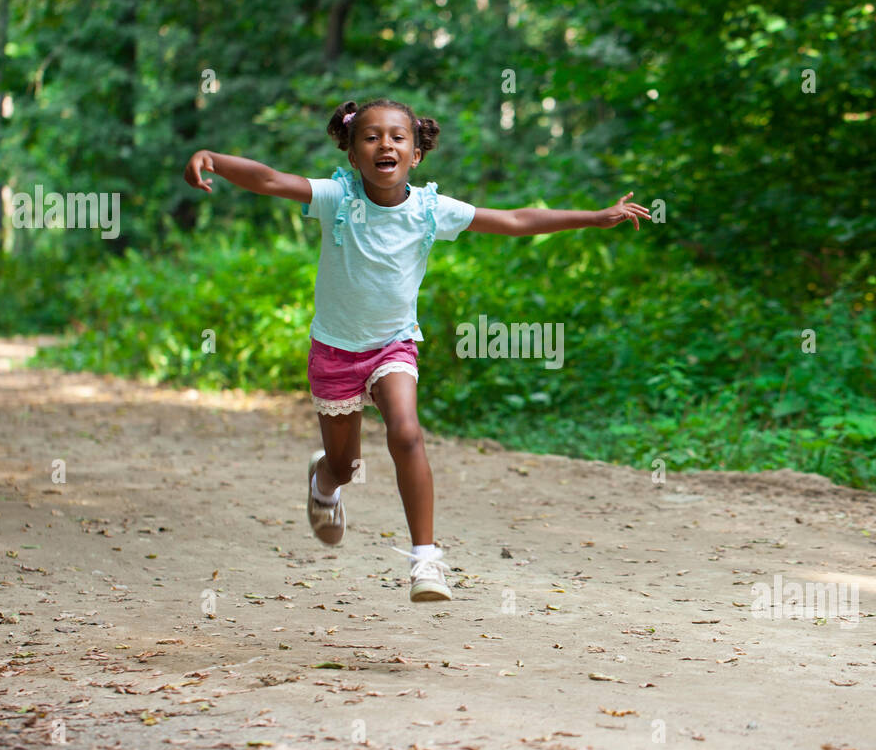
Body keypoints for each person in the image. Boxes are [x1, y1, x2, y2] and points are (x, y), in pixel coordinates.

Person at [183, 97, 649, 602]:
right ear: (353, 154)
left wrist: (594, 217)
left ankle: (426, 560)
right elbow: (271, 179)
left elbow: (515, 218)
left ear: (416, 154)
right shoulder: (336, 198)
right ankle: (323, 484)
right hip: (335, 351)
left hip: (393, 345)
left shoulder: (431, 209)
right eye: (371, 137)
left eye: (398, 137)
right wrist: (213, 158)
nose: (385, 144)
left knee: (407, 433)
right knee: (344, 465)